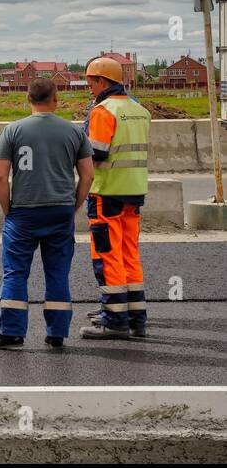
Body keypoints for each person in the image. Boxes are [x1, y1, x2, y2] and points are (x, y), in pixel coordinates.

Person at [0, 77, 94, 350]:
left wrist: (7, 210)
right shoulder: (74, 132)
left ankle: (12, 333)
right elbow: (88, 175)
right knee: (57, 273)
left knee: (15, 272)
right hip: (60, 211)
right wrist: (74, 206)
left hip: (23, 212)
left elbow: (0, 177)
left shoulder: (11, 131)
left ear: (28, 99)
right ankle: (56, 333)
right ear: (56, 99)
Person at [81, 56, 151, 340]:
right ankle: (136, 319)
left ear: (102, 81)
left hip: (106, 192)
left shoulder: (103, 111)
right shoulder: (139, 110)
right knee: (129, 254)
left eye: (90, 82)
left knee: (108, 256)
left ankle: (115, 321)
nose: (89, 89)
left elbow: (96, 153)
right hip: (134, 192)